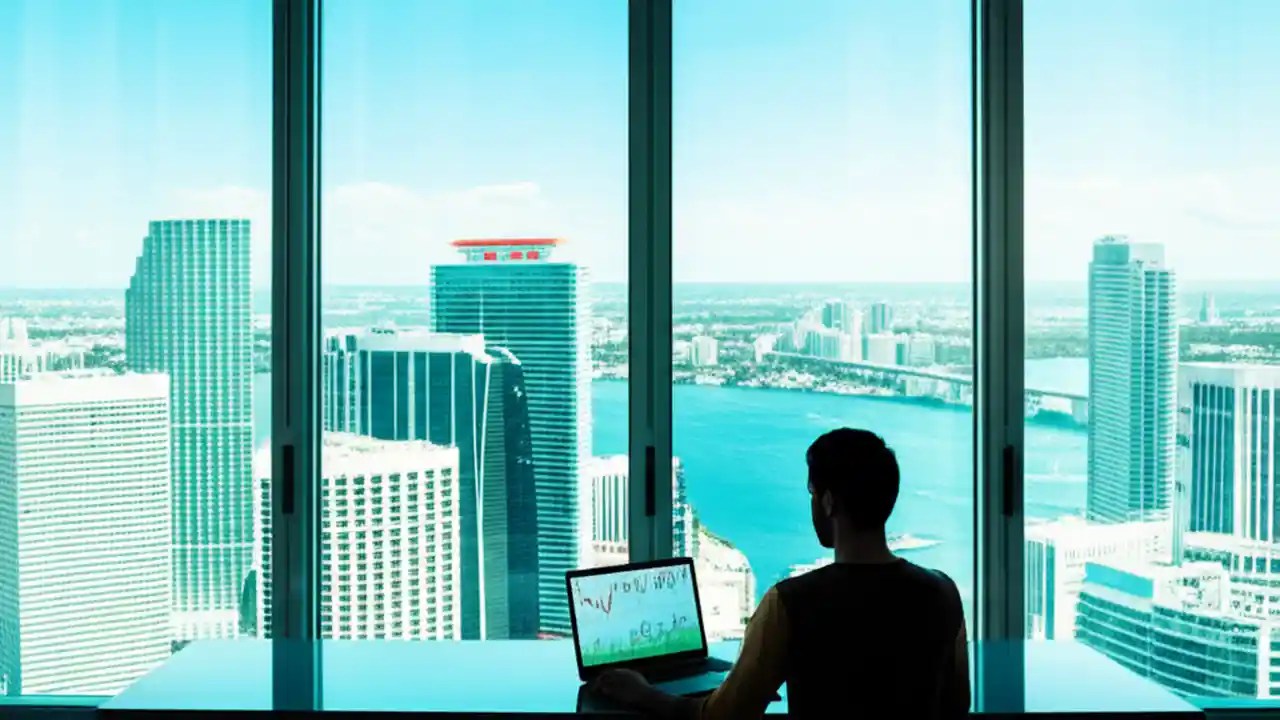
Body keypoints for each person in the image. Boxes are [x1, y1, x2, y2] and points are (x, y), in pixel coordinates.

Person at [591, 428, 969, 719]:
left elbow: (723, 717)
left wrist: (641, 693)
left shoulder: (790, 603)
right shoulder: (943, 592)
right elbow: (957, 704)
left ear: (828, 501)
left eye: (811, 493)